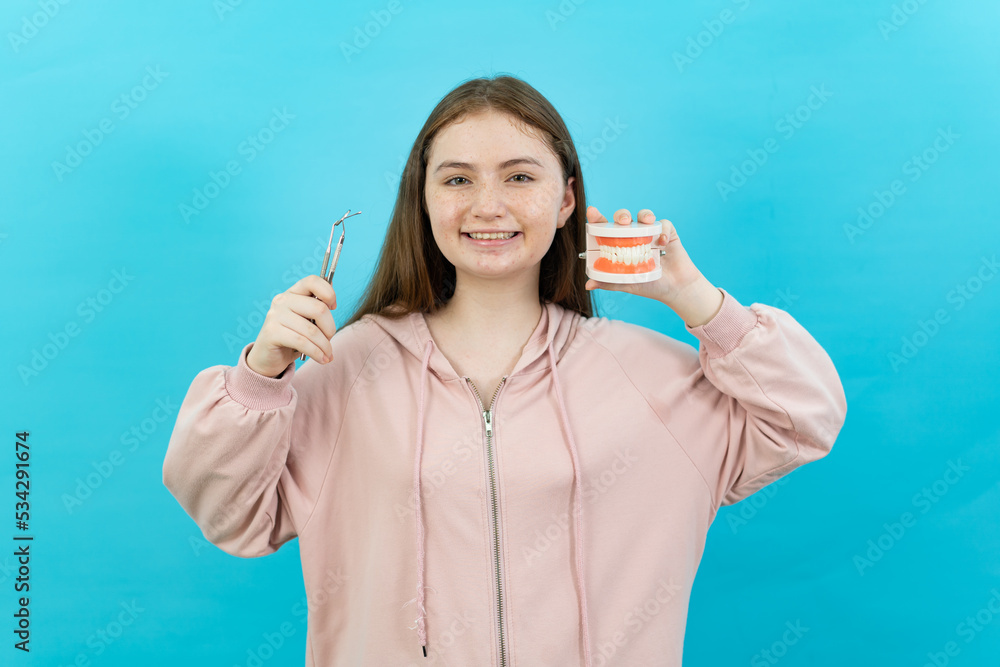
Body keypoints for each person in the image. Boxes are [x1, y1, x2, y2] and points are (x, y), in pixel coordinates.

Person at [162, 74, 847, 666]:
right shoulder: (345, 368)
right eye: (457, 179)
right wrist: (262, 374)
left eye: (520, 176)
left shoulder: (649, 376)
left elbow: (807, 414)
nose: (487, 206)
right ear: (423, 199)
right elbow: (228, 515)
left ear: (567, 199)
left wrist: (695, 299)